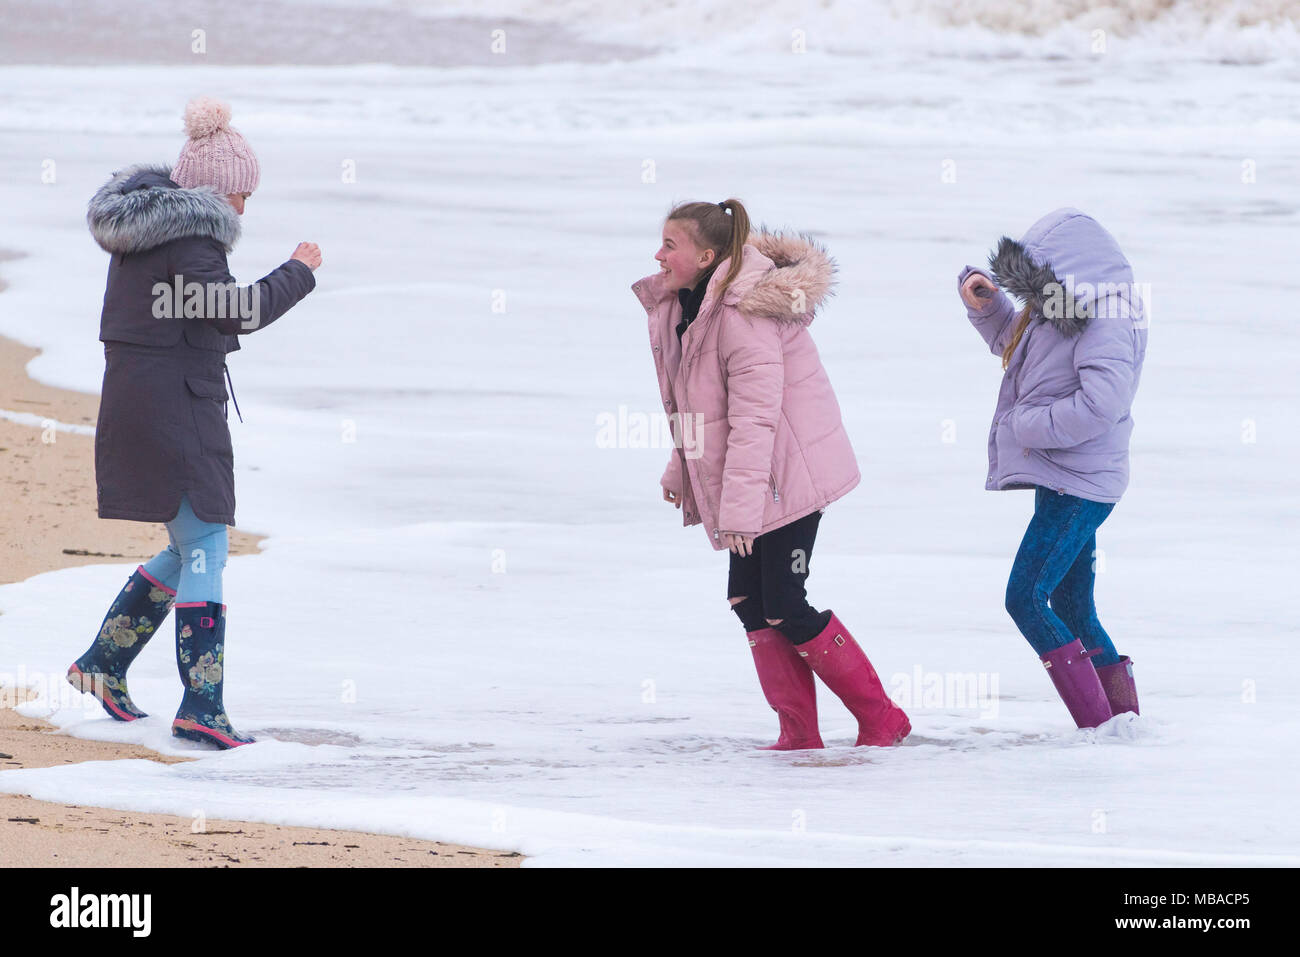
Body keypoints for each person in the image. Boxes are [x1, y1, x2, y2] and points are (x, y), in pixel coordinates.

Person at [67, 96, 321, 748]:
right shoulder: (190, 238)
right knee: (206, 541)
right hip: (174, 409)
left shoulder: (148, 235)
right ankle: (201, 706)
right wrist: (299, 271)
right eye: (241, 194)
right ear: (216, 190)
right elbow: (237, 311)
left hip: (145, 401)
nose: (244, 208)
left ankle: (103, 665)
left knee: (189, 544)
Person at [632, 199, 910, 750]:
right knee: (748, 602)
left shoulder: (743, 315)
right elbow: (696, 404)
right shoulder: (684, 307)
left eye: (670, 245)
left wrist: (739, 513)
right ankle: (799, 733)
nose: (658, 255)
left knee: (784, 602)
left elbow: (756, 422)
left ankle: (884, 719)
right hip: (755, 472)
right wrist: (680, 468)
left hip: (789, 474)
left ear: (707, 255)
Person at [957, 207, 1146, 729]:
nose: (1033, 296)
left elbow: (1101, 404)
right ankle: (1121, 724)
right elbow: (1015, 347)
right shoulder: (1060, 308)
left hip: (1082, 484)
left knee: (1026, 597)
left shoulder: (1106, 318)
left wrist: (1028, 425)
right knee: (1071, 605)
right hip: (1064, 478)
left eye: (1038, 282)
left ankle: (1098, 726)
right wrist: (990, 305)